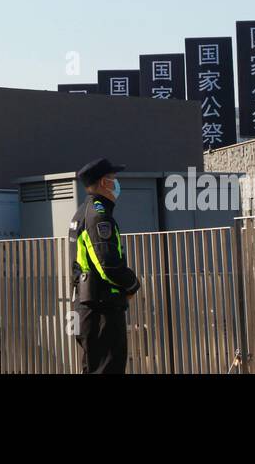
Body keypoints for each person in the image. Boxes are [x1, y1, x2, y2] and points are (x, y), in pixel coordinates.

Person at [69, 157, 140, 374]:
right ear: (103, 183)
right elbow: (107, 264)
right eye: (113, 179)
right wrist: (132, 284)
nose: (116, 184)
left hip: (87, 307)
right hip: (102, 309)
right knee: (107, 368)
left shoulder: (82, 212)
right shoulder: (99, 216)